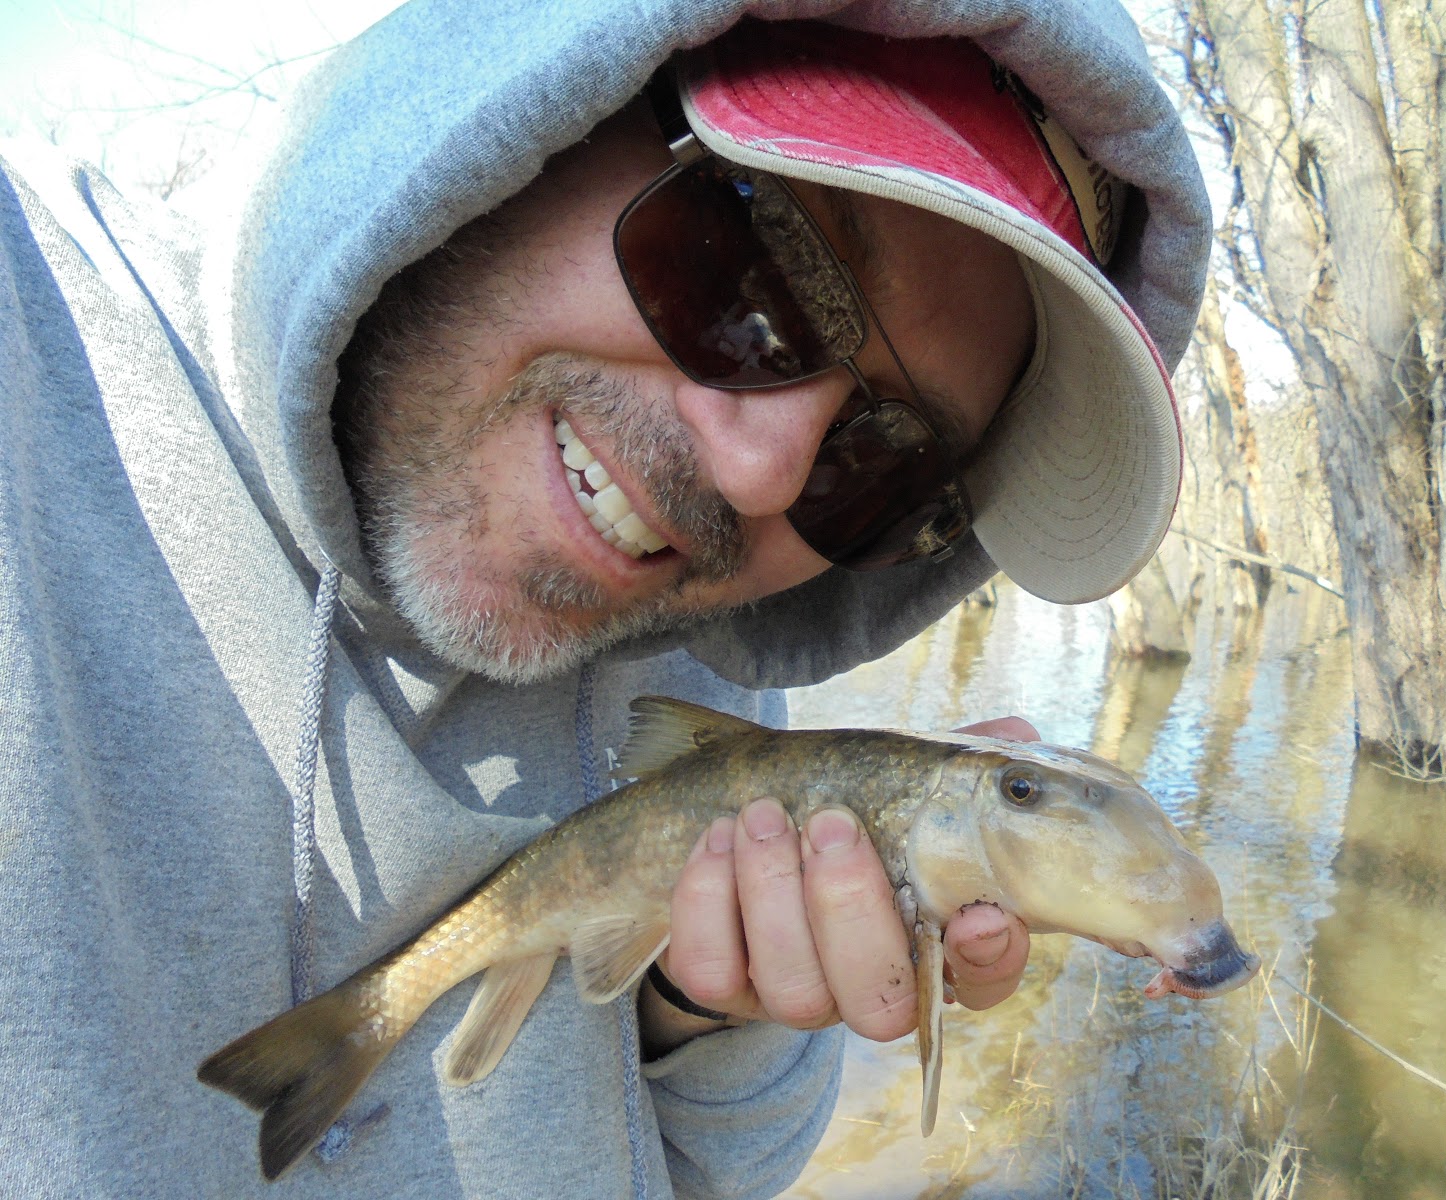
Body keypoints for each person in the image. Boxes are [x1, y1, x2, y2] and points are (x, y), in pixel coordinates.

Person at [0, 0, 1208, 1196]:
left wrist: (693, 1008)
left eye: (882, 464)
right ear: (541, 90)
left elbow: (697, 1178)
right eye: (761, 266)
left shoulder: (701, 694)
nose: (761, 472)